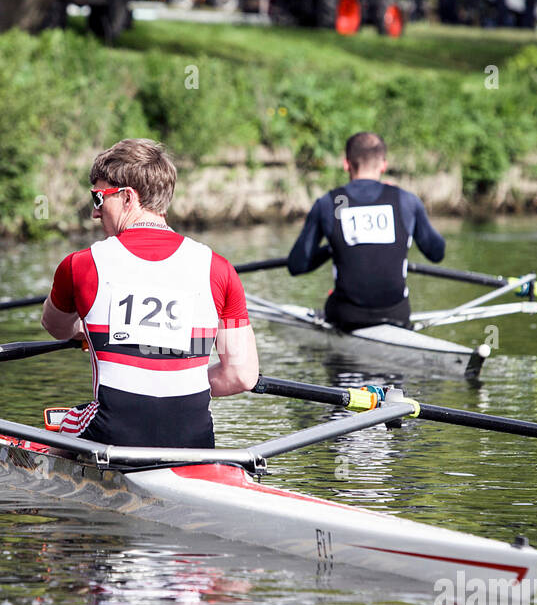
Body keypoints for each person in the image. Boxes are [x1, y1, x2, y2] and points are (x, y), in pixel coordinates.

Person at [41, 139, 259, 448]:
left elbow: (55, 326)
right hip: (194, 439)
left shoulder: (81, 265)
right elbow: (242, 375)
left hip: (112, 435)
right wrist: (177, 380)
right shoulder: (219, 269)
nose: (94, 212)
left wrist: (84, 332)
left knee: (60, 422)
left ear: (128, 198)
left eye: (99, 199)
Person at [287, 131, 446, 332]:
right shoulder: (406, 200)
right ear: (384, 165)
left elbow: (297, 265)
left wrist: (333, 248)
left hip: (347, 315)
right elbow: (437, 253)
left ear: (346, 164)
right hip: (397, 313)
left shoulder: (331, 203)